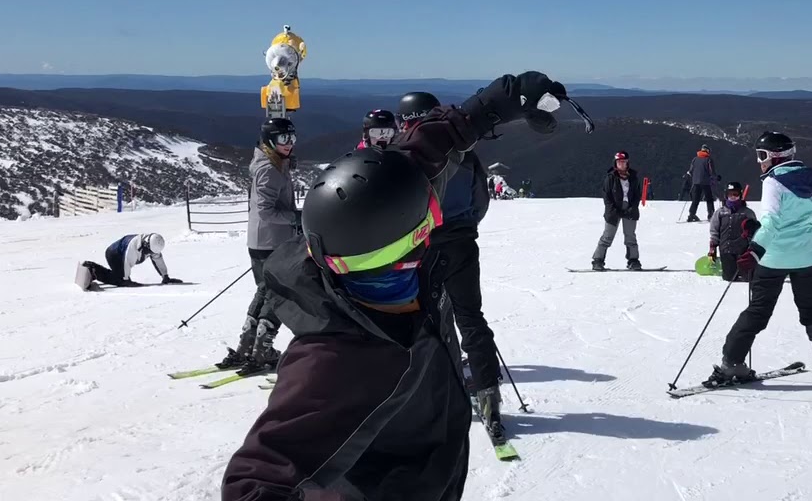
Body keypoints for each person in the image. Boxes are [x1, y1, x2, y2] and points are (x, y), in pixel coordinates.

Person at [222, 70, 569, 501]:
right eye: (430, 221)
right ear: (410, 245)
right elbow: (255, 481)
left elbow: (419, 160)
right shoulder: (337, 357)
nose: (436, 221)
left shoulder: (375, 260)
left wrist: (490, 107)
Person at [707, 131, 812, 407]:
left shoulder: (773, 182)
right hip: (807, 257)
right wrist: (756, 230)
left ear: (775, 157)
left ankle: (731, 364)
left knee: (758, 311)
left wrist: (755, 249)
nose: (759, 162)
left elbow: (773, 221)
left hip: (773, 257)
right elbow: (795, 217)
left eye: (762, 156)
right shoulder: (806, 176)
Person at [395, 90, 502, 438]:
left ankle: (430, 395)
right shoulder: (465, 155)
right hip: (462, 243)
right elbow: (479, 201)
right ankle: (488, 394)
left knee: (424, 320)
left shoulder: (412, 157)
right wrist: (466, 226)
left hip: (425, 247)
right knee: (470, 317)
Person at [220, 117, 298, 374]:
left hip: (263, 240)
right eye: (283, 139)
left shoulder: (273, 162)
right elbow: (265, 210)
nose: (289, 144)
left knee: (265, 291)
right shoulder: (268, 168)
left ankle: (248, 345)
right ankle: (262, 348)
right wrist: (295, 218)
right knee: (279, 293)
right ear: (269, 141)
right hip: (271, 241)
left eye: (292, 138)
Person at [592, 151, 642, 270]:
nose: (621, 164)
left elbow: (637, 194)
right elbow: (607, 196)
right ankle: (598, 261)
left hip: (630, 210)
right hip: (613, 211)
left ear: (627, 163)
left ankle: (633, 260)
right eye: (619, 162)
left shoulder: (633, 177)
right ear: (615, 163)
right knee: (607, 236)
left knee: (630, 236)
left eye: (624, 162)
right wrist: (613, 210)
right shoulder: (610, 178)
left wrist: (633, 207)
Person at [77, 233, 179, 290]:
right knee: (120, 280)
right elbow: (126, 262)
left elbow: (158, 259)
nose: (150, 254)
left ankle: (93, 269)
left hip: (122, 255)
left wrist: (165, 276)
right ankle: (92, 269)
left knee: (120, 278)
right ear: (145, 244)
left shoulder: (152, 245)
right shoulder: (133, 246)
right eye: (148, 251)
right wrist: (126, 280)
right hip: (114, 254)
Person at [708, 181, 757, 282]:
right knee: (729, 277)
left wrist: (752, 241)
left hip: (742, 250)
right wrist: (713, 246)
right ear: (726, 195)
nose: (733, 197)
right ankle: (728, 267)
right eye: (730, 194)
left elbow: (755, 230)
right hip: (726, 249)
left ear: (740, 195)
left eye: (735, 194)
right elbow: (714, 230)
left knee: (748, 277)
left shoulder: (747, 212)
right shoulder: (720, 212)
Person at [685, 145, 716, 222]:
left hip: (695, 182)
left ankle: (692, 214)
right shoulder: (708, 159)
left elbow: (691, 170)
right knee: (709, 199)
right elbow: (711, 171)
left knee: (696, 199)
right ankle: (711, 215)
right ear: (707, 151)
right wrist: (716, 177)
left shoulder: (695, 159)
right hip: (706, 182)